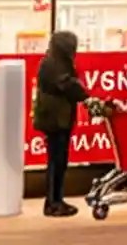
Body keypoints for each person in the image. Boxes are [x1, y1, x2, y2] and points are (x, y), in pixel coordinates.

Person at [33, 31, 90, 217]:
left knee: (59, 161)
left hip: (57, 118)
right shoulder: (53, 64)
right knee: (56, 162)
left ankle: (56, 200)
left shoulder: (54, 61)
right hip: (55, 120)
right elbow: (67, 85)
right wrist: (87, 97)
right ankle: (53, 203)